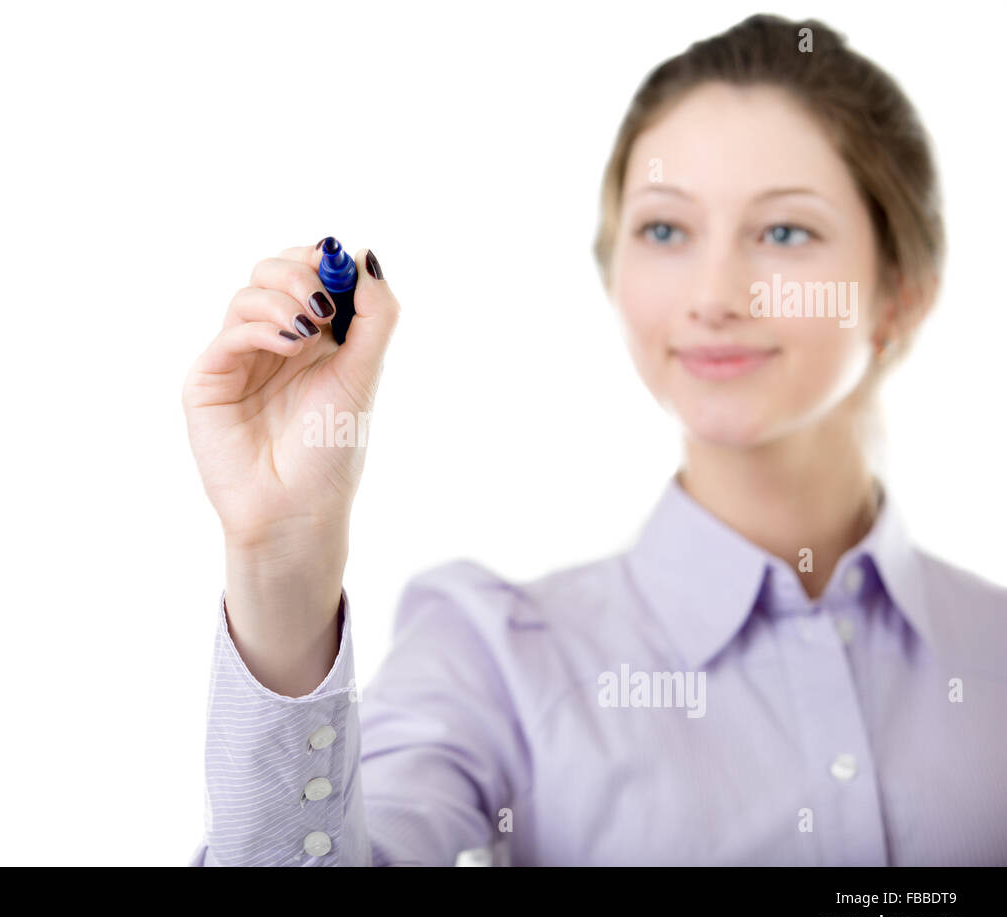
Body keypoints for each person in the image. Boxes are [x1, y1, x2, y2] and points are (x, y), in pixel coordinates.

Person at [179, 13, 1007, 865]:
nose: (713, 294)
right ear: (616, 273)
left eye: (784, 231)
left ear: (902, 289)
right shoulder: (492, 658)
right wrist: (285, 556)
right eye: (665, 230)